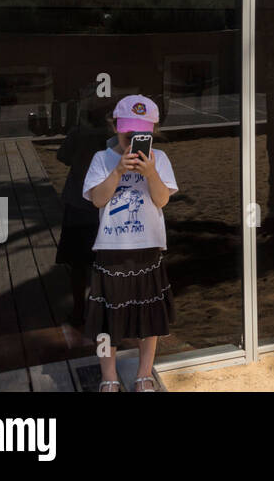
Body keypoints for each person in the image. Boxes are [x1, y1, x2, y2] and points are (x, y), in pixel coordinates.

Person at [82, 95, 178, 392]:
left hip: (147, 247)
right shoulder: (102, 159)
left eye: (142, 135)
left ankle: (143, 374)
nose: (134, 141)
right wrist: (119, 170)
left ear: (152, 132)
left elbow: (162, 199)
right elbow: (97, 199)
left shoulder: (159, 159)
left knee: (150, 317)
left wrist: (149, 173)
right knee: (105, 322)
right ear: (116, 127)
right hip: (112, 250)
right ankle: (108, 376)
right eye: (128, 135)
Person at [54, 99, 110, 329]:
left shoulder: (78, 134)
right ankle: (101, 309)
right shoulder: (110, 137)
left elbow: (62, 157)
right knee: (103, 263)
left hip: (78, 203)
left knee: (78, 264)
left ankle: (79, 310)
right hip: (104, 206)